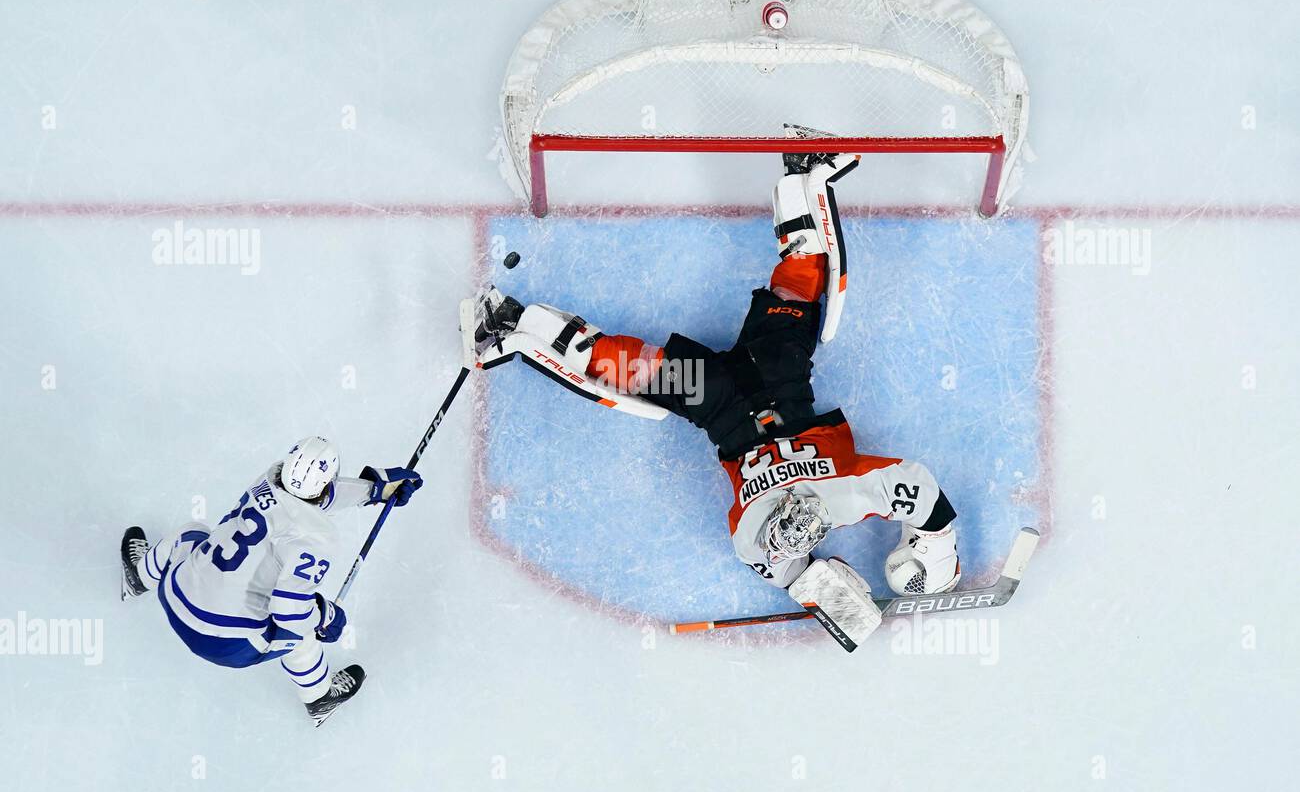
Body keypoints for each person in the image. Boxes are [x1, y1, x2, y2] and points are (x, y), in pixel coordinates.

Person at [467, 136, 959, 646]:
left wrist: (847, 589)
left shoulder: (769, 538)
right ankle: (801, 174)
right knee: (791, 294)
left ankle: (513, 322)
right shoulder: (835, 501)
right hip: (772, 388)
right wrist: (933, 551)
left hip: (722, 405)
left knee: (631, 367)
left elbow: (809, 570)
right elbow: (917, 492)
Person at [119, 437, 422, 725]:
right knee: (300, 632)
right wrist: (326, 616)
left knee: (191, 532)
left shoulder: (268, 479)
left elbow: (307, 500)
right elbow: (289, 613)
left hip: (175, 597)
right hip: (226, 645)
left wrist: (373, 490)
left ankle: (139, 577)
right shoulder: (318, 538)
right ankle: (320, 698)